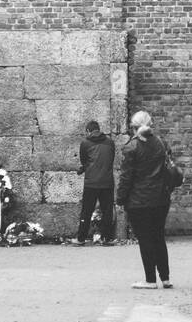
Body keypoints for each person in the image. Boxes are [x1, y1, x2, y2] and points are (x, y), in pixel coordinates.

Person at [117, 110, 174, 289]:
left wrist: (120, 199)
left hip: (139, 200)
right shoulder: (162, 144)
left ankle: (150, 280)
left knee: (145, 239)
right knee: (158, 236)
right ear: (151, 124)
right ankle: (165, 278)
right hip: (160, 199)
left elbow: (126, 178)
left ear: (133, 127)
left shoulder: (131, 148)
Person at [72, 119, 116, 246]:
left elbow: (84, 161)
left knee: (87, 210)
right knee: (107, 210)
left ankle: (81, 238)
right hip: (107, 182)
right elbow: (111, 159)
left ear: (88, 131)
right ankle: (107, 238)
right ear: (99, 129)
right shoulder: (110, 142)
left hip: (91, 182)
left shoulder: (85, 143)